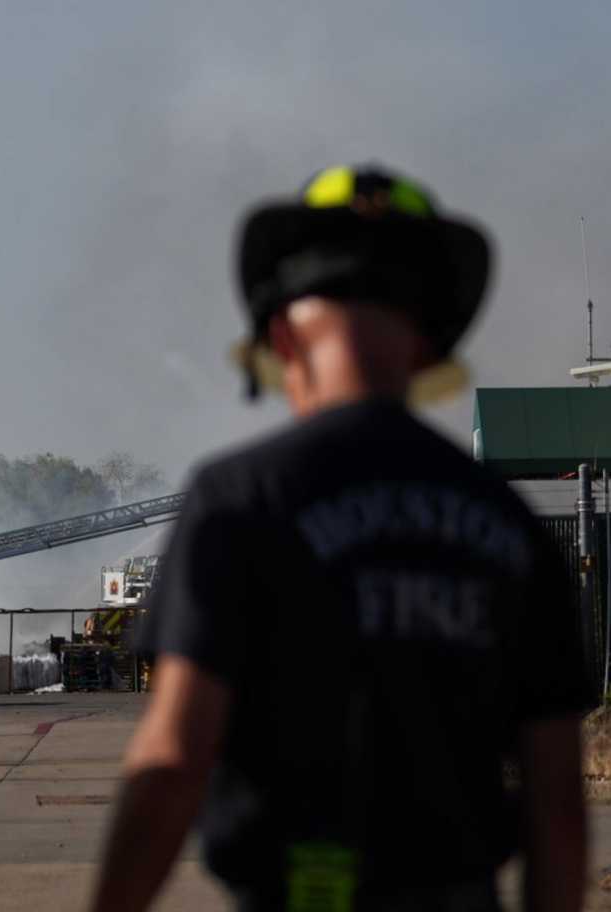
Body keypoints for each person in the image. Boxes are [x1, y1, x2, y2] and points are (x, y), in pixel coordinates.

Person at [90, 166, 588, 912]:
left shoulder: (238, 500)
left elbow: (171, 760)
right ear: (426, 346)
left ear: (283, 337)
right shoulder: (512, 530)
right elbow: (555, 803)